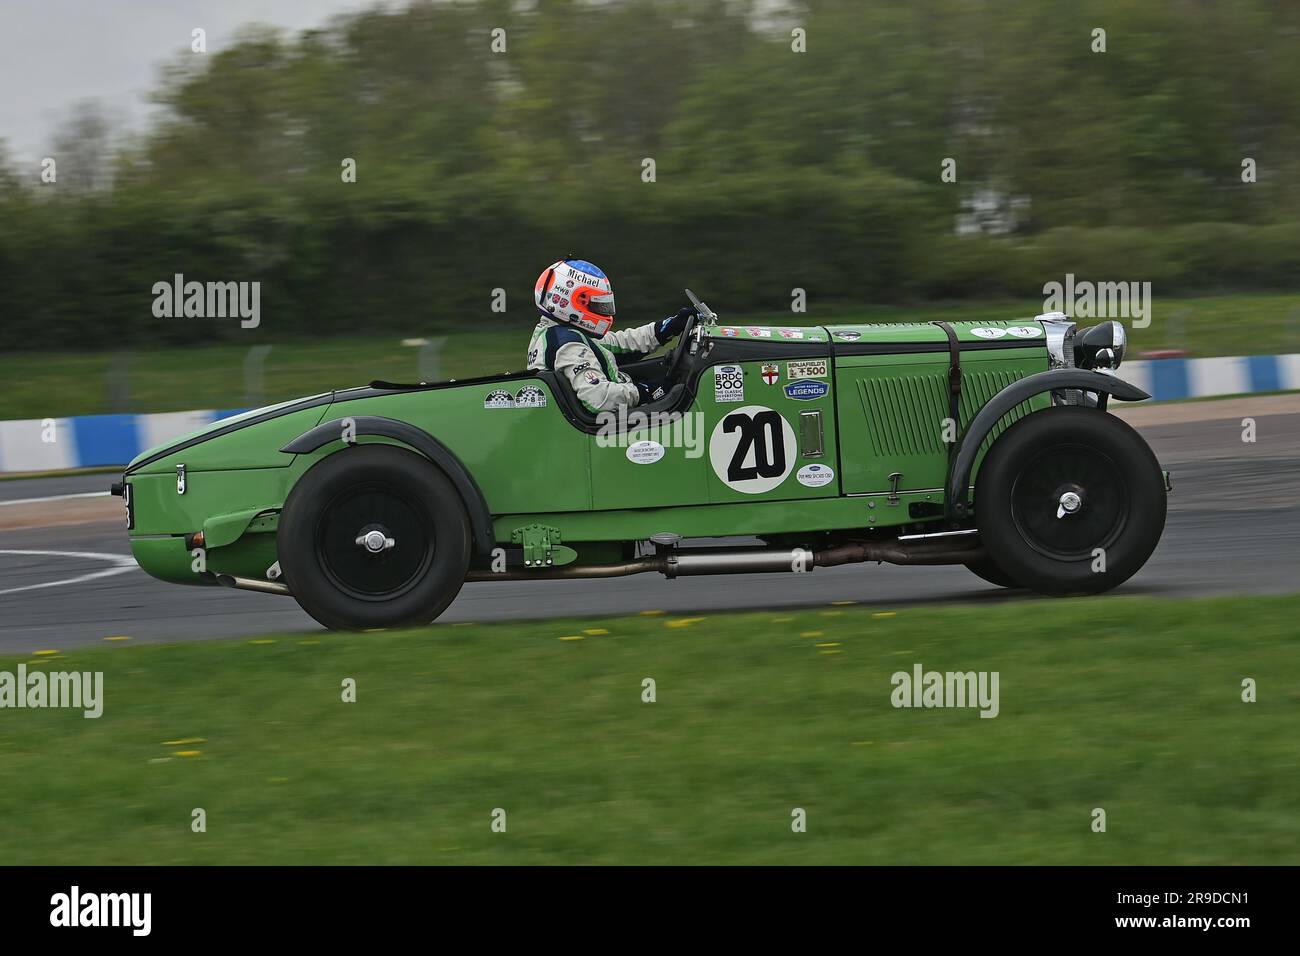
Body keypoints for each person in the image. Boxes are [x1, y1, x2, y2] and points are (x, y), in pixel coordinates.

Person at [526, 258, 694, 413]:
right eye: (597, 305)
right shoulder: (567, 344)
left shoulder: (559, 333)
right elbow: (599, 398)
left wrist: (667, 327)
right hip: (604, 428)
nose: (603, 311)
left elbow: (620, 343)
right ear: (570, 303)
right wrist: (646, 391)